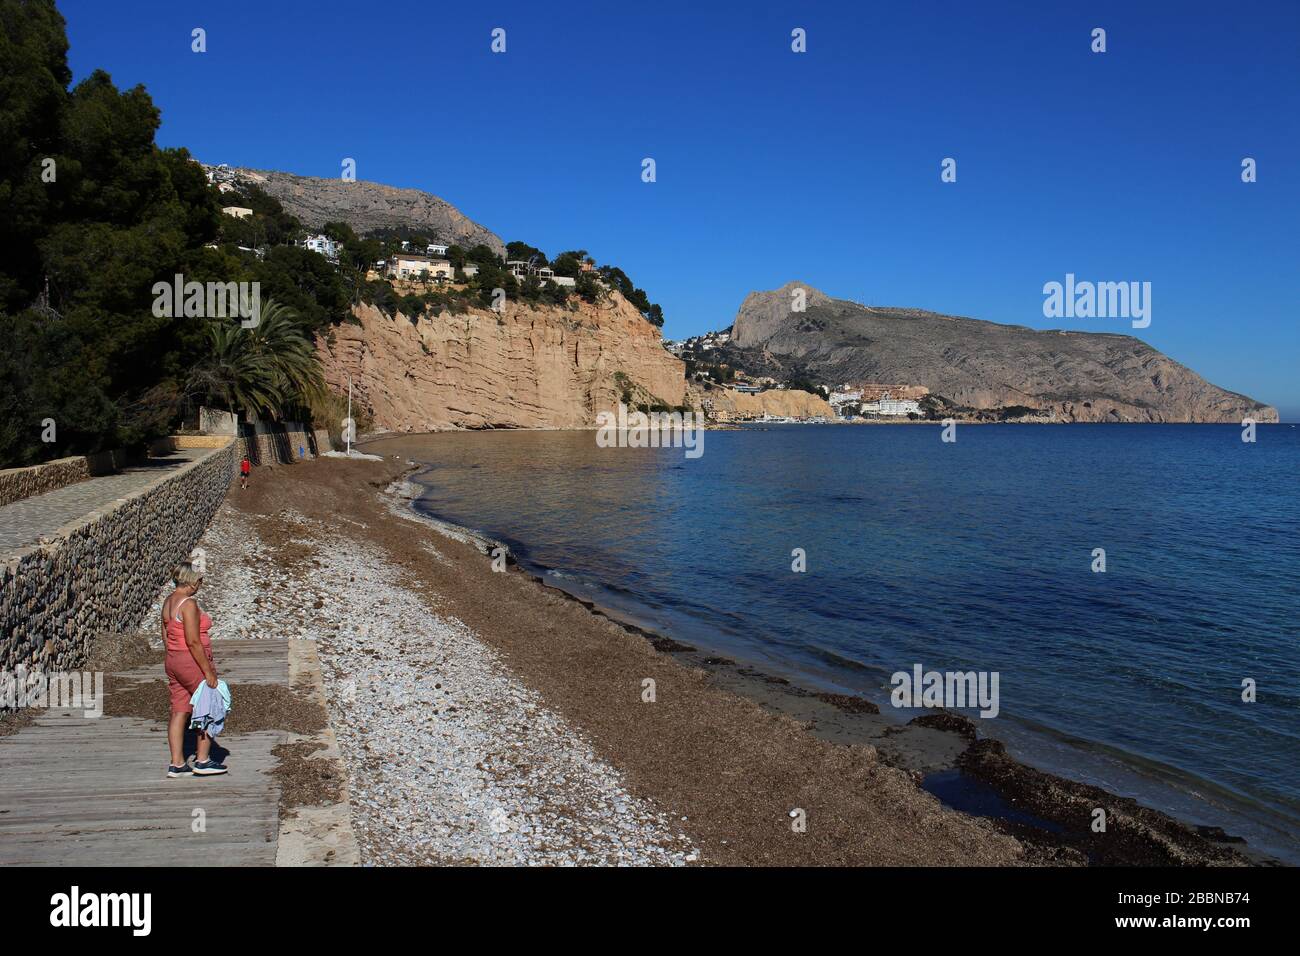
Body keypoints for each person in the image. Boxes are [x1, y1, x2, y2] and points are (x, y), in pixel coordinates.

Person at [162, 562, 227, 777]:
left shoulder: (169, 601)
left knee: (180, 710)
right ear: (190, 581)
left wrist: (173, 656)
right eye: (199, 581)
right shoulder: (188, 604)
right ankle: (202, 760)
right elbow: (193, 641)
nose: (200, 585)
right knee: (208, 704)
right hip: (190, 660)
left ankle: (177, 764)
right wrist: (208, 672)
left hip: (173, 659)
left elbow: (165, 633)